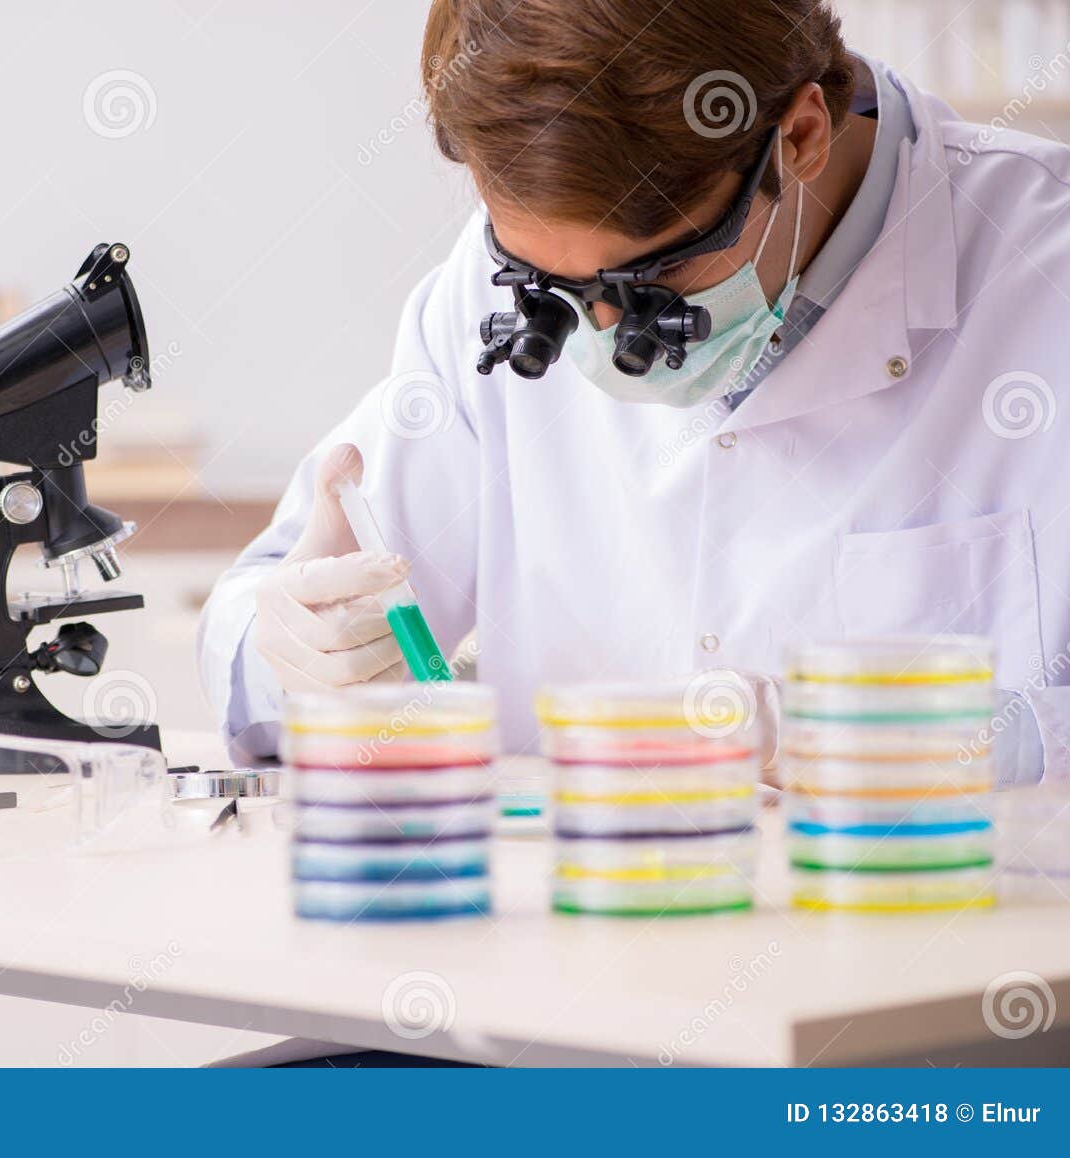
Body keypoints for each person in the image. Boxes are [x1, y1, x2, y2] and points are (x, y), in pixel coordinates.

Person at [198, 0, 1067, 783]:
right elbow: (253, 621)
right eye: (548, 291)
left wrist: (922, 736)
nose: (610, 339)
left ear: (800, 136)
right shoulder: (479, 287)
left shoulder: (1045, 264)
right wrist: (299, 653)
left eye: (655, 281)